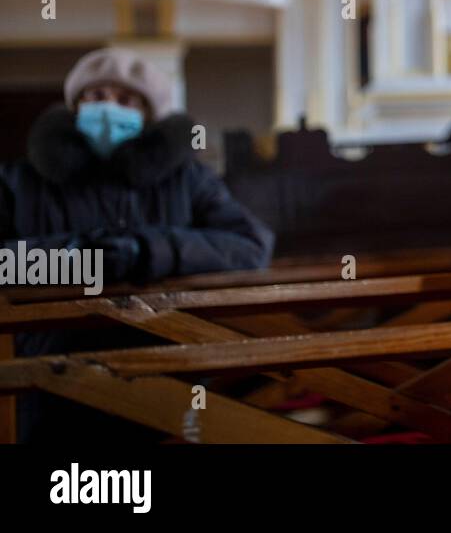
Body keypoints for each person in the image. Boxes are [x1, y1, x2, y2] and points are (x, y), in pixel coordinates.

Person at [0, 47, 276, 441]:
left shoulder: (186, 179)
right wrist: (81, 258)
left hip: (165, 365)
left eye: (127, 99)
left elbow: (250, 246)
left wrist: (148, 252)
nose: (109, 108)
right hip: (50, 375)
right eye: (96, 97)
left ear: (148, 115)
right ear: (75, 106)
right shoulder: (19, 181)